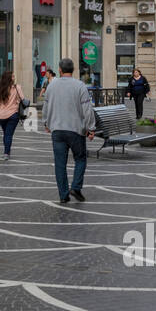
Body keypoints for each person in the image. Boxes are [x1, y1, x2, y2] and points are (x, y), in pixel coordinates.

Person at [41, 58, 96, 204]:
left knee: (60, 163)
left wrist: (45, 123)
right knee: (80, 158)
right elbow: (87, 109)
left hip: (57, 130)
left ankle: (63, 195)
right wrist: (91, 128)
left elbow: (45, 106)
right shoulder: (80, 86)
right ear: (73, 70)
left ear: (59, 69)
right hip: (76, 130)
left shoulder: (51, 86)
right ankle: (76, 187)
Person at [0, 70, 25, 159]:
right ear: (9, 78)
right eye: (13, 76)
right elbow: (23, 99)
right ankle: (6, 153)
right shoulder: (16, 87)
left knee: (6, 134)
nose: (14, 78)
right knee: (8, 134)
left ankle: (6, 151)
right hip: (13, 114)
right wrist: (17, 101)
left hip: (2, 115)